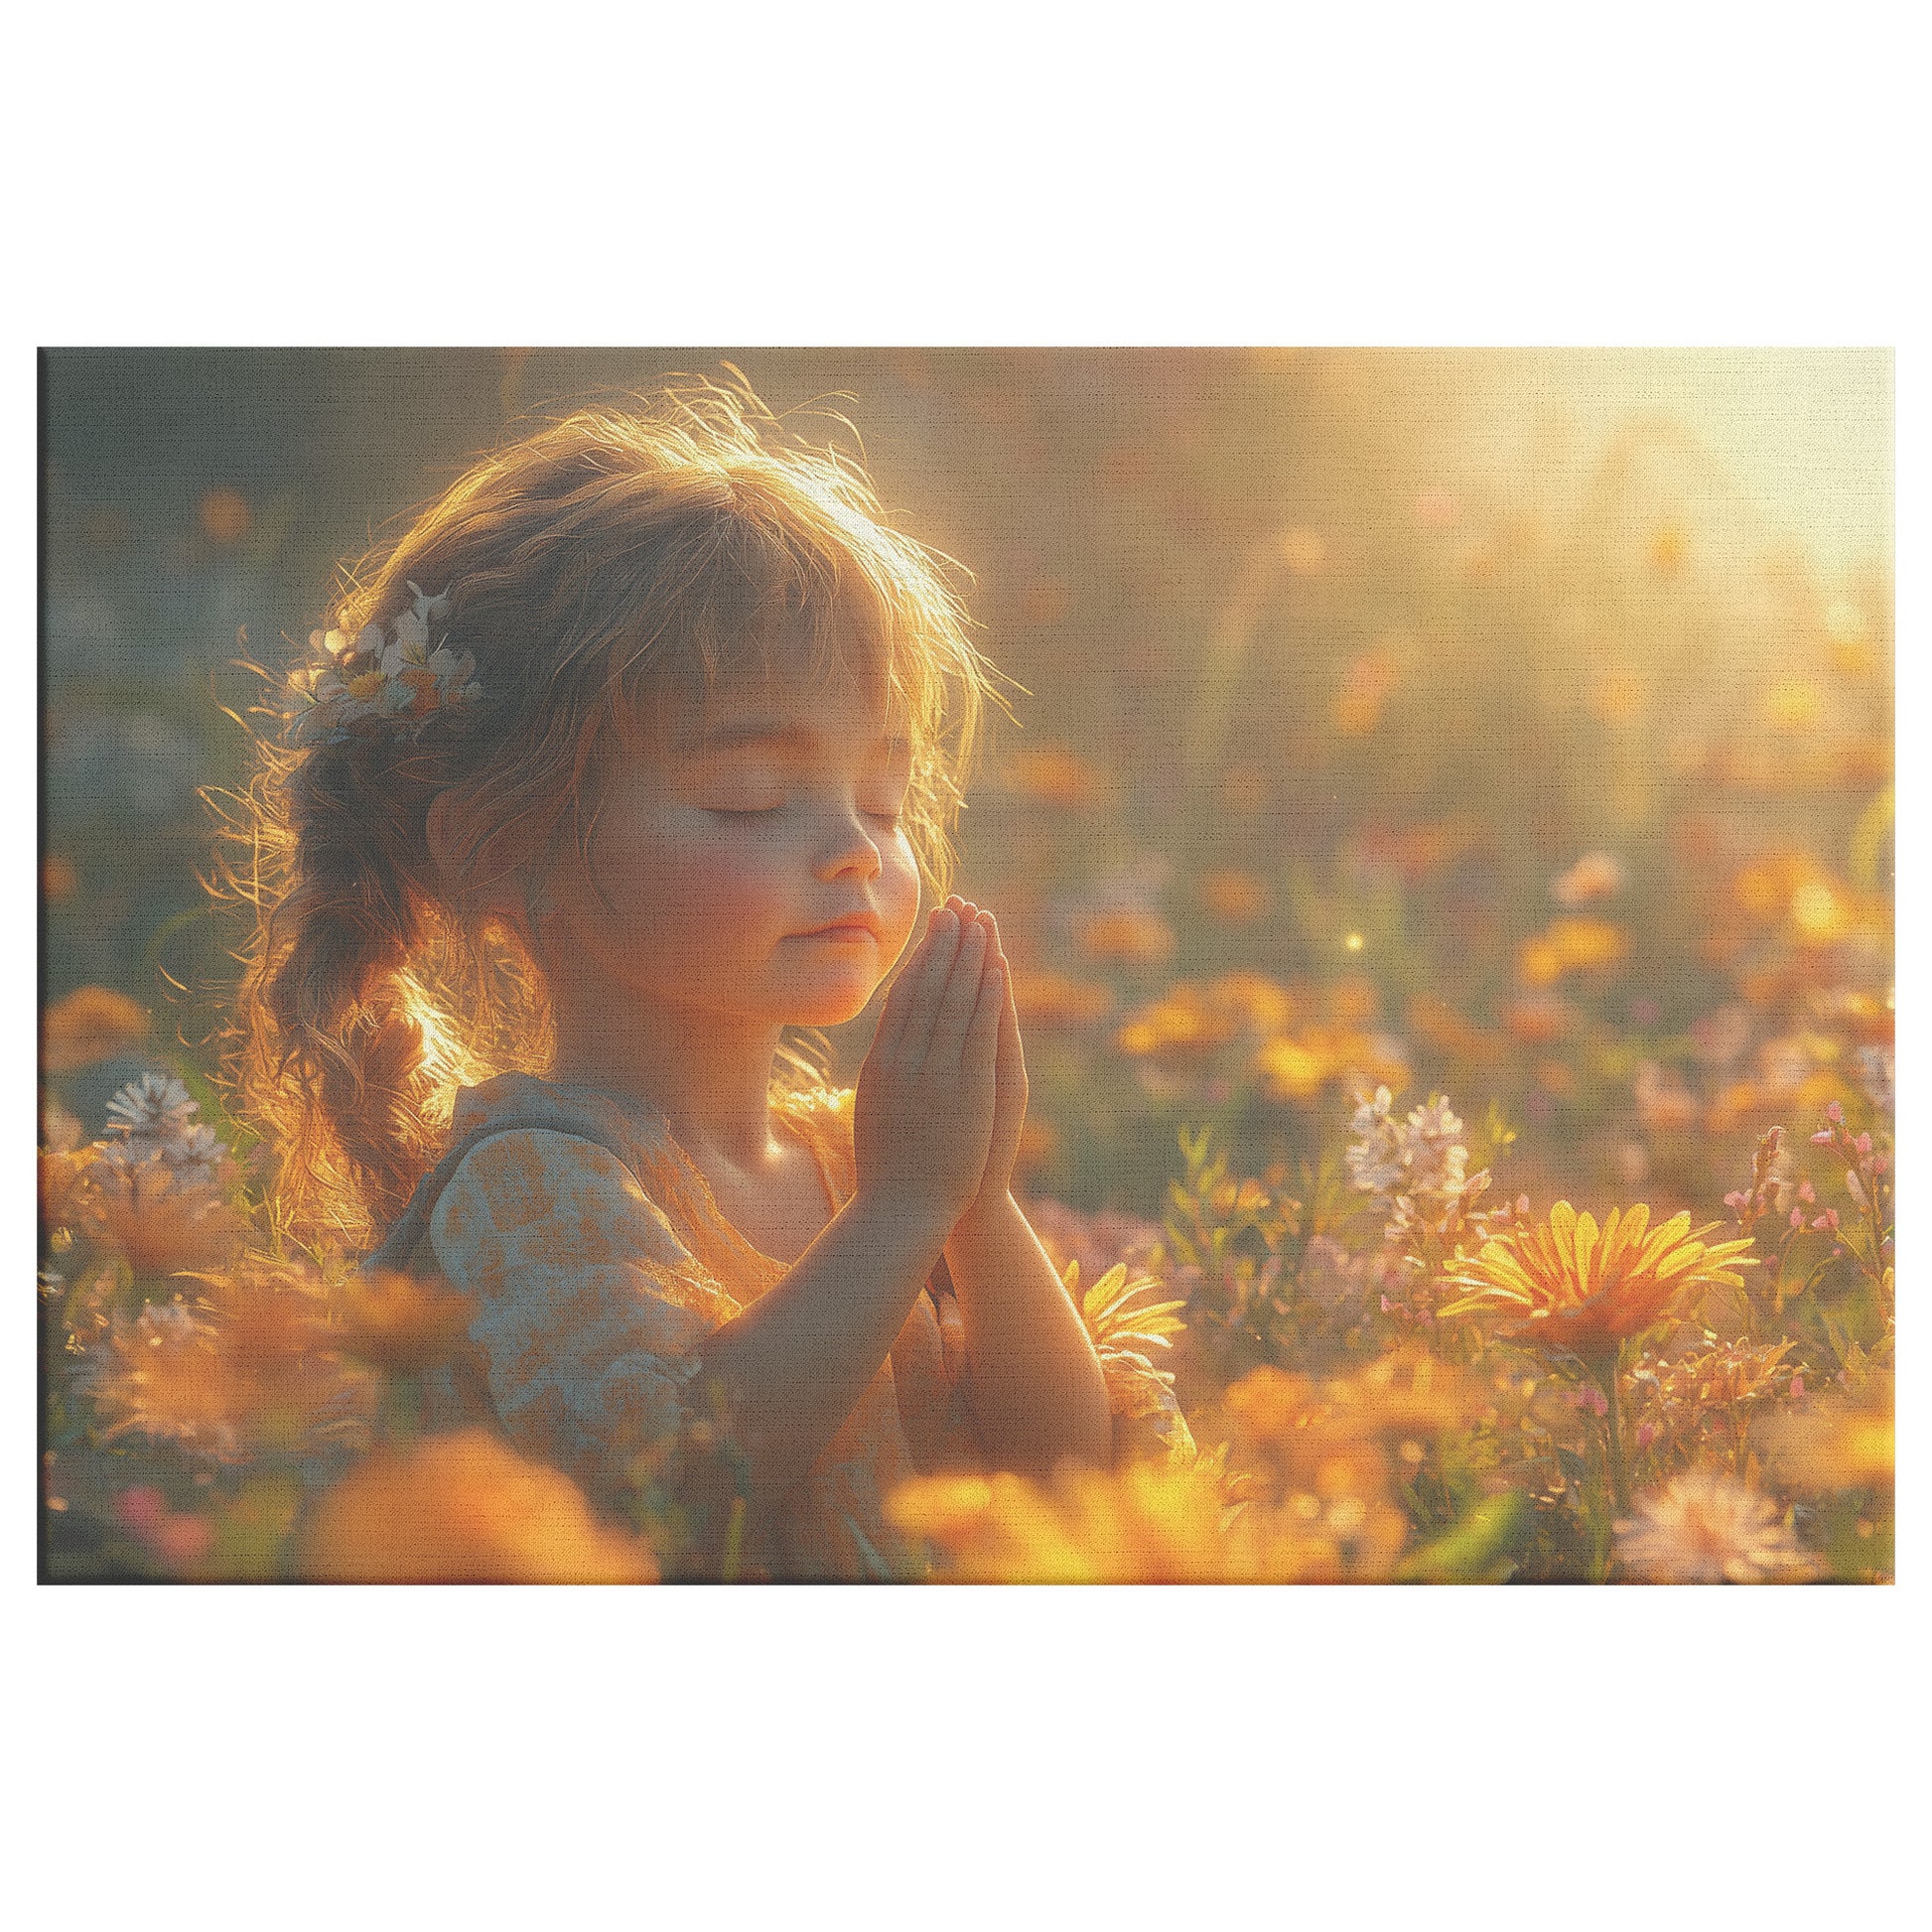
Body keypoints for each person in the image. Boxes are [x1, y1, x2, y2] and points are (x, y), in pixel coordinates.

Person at [228, 377, 1178, 1580]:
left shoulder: (858, 1153)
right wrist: (899, 1213)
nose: (854, 846)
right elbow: (664, 1495)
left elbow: (1068, 1476)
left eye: (884, 799)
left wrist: (972, 1204)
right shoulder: (531, 1184)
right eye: (749, 798)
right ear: (503, 852)